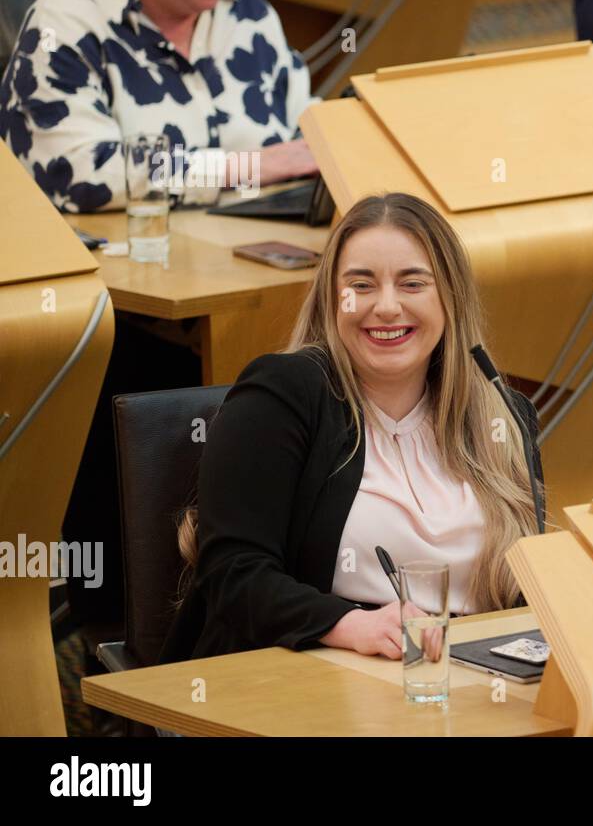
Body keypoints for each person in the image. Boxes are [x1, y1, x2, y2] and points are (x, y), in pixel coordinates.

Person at [160, 193, 542, 662]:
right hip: (314, 674)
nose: (385, 307)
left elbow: (530, 584)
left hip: (469, 678)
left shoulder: (502, 417)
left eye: (412, 283)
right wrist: (350, 625)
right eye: (360, 285)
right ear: (331, 298)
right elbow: (233, 572)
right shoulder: (285, 394)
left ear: (451, 298)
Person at [0, 0, 318, 212]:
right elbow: (80, 175)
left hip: (263, 250)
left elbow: (302, 123)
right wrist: (244, 167)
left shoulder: (243, 6)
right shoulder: (61, 27)